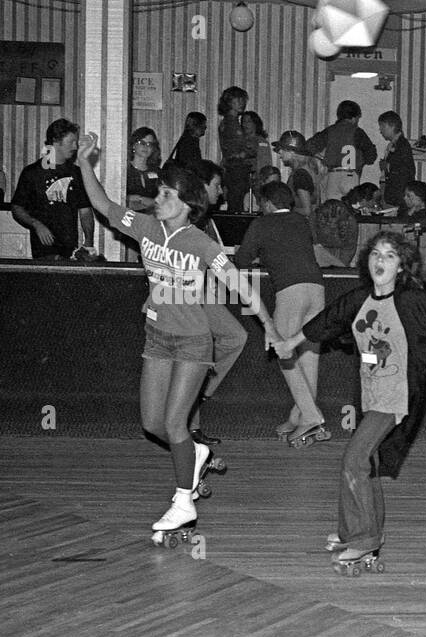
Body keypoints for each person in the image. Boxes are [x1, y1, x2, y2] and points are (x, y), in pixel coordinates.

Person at [74, 134, 278, 543]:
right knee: (153, 424)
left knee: (174, 422)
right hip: (157, 338)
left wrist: (270, 327)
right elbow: (103, 205)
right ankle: (197, 455)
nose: (159, 196)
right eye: (160, 190)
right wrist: (83, 163)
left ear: (186, 204)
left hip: (193, 342)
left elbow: (239, 284)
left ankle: (183, 501)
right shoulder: (146, 227)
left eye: (167, 193)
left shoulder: (200, 242)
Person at [274, 232, 426, 572]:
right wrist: (290, 343)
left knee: (354, 458)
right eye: (374, 253)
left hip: (397, 395)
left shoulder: (412, 300)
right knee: (366, 462)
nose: (379, 260)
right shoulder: (359, 299)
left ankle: (363, 540)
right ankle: (359, 533)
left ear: (401, 265)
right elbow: (327, 322)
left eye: (388, 255)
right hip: (370, 394)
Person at [234, 180, 329, 447]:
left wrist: (257, 257)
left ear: (266, 203)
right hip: (317, 288)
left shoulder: (261, 224)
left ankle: (311, 416)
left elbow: (241, 261)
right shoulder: (302, 222)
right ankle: (298, 416)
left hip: (290, 291)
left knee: (283, 351)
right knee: (308, 356)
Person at [189, 159, 250, 447]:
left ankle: (198, 394)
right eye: (216, 186)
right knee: (208, 348)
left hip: (204, 295)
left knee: (234, 337)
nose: (222, 192)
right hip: (188, 297)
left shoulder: (206, 221)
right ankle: (191, 419)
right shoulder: (188, 219)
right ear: (202, 187)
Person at [11, 118, 94, 260]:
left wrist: (89, 242)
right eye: (71, 142)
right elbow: (17, 208)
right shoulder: (32, 172)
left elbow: (85, 211)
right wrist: (36, 224)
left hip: (70, 249)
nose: (75, 146)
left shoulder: (77, 173)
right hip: (43, 250)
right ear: (56, 142)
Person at [307, 100, 378, 203]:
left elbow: (309, 146)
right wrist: (361, 160)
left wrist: (323, 158)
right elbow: (371, 156)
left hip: (332, 176)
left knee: (332, 209)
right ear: (353, 118)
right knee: (351, 208)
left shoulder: (330, 131)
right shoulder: (357, 132)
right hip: (350, 176)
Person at [217, 86, 257, 212]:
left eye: (242, 100)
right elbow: (242, 151)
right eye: (237, 100)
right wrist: (249, 150)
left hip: (232, 170)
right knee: (237, 206)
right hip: (237, 170)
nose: (241, 103)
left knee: (235, 204)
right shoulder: (232, 124)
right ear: (228, 102)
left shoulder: (228, 122)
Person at [273, 131, 323, 216]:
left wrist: (286, 210)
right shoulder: (306, 170)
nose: (280, 152)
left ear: (292, 152)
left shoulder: (300, 175)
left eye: (283, 149)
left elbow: (307, 211)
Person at [378, 110, 414, 211]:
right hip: (392, 194)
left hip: (398, 195)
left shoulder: (402, 145)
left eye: (383, 126)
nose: (380, 130)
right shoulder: (392, 145)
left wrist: (387, 166)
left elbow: (406, 171)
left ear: (392, 126)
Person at [126, 127, 162, 213]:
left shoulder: (157, 172)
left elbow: (162, 198)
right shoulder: (124, 170)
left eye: (150, 144)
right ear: (134, 145)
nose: (146, 146)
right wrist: (140, 199)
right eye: (142, 143)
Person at [241, 111, 274, 179]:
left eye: (249, 121)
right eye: (244, 121)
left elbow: (264, 163)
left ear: (255, 123)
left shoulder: (261, 142)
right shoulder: (239, 141)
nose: (245, 124)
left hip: (256, 179)